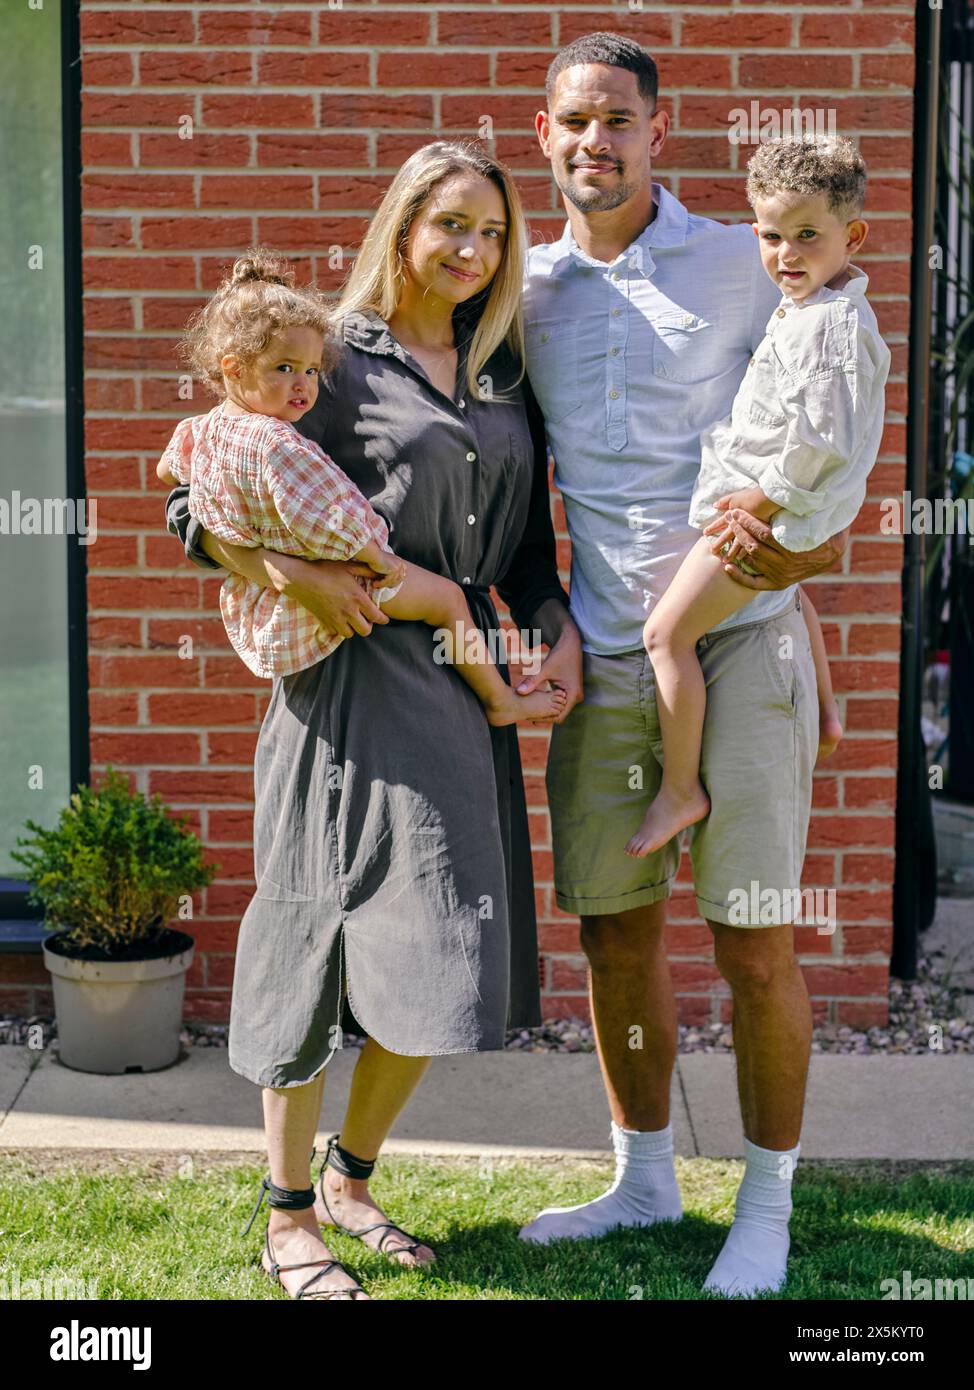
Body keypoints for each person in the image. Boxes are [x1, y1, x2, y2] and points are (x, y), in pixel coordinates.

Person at [163, 142, 582, 1300]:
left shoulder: (500, 372)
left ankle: (354, 1176)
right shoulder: (329, 355)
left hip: (457, 684)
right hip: (344, 684)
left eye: (493, 233)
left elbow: (527, 543)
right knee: (315, 939)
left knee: (444, 940)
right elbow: (191, 489)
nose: (472, 251)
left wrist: (550, 623)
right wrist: (280, 573)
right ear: (402, 227)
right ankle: (287, 1214)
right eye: (451, 224)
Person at [515, 31, 866, 1298]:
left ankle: (764, 1208)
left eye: (616, 119)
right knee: (614, 935)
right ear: (543, 133)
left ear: (658, 131)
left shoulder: (745, 256)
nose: (592, 142)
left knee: (756, 941)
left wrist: (807, 569)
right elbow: (488, 472)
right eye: (572, 121)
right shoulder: (526, 290)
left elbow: (835, 420)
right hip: (608, 659)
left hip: (741, 643)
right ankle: (643, 1175)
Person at [156, 249, 565, 727]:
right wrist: (378, 557)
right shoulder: (280, 443)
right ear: (233, 368)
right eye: (284, 368)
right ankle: (500, 700)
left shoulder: (203, 428)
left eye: (310, 370)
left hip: (281, 591)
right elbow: (334, 517)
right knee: (448, 601)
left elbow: (172, 473)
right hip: (351, 576)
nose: (302, 386)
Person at [624, 135, 891, 857]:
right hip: (782, 518)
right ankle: (828, 716)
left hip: (774, 519)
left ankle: (681, 791)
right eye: (772, 236)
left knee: (666, 635)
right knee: (787, 600)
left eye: (809, 235)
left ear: (852, 236)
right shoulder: (810, 312)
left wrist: (761, 502)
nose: (787, 253)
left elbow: (824, 440)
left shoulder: (831, 325)